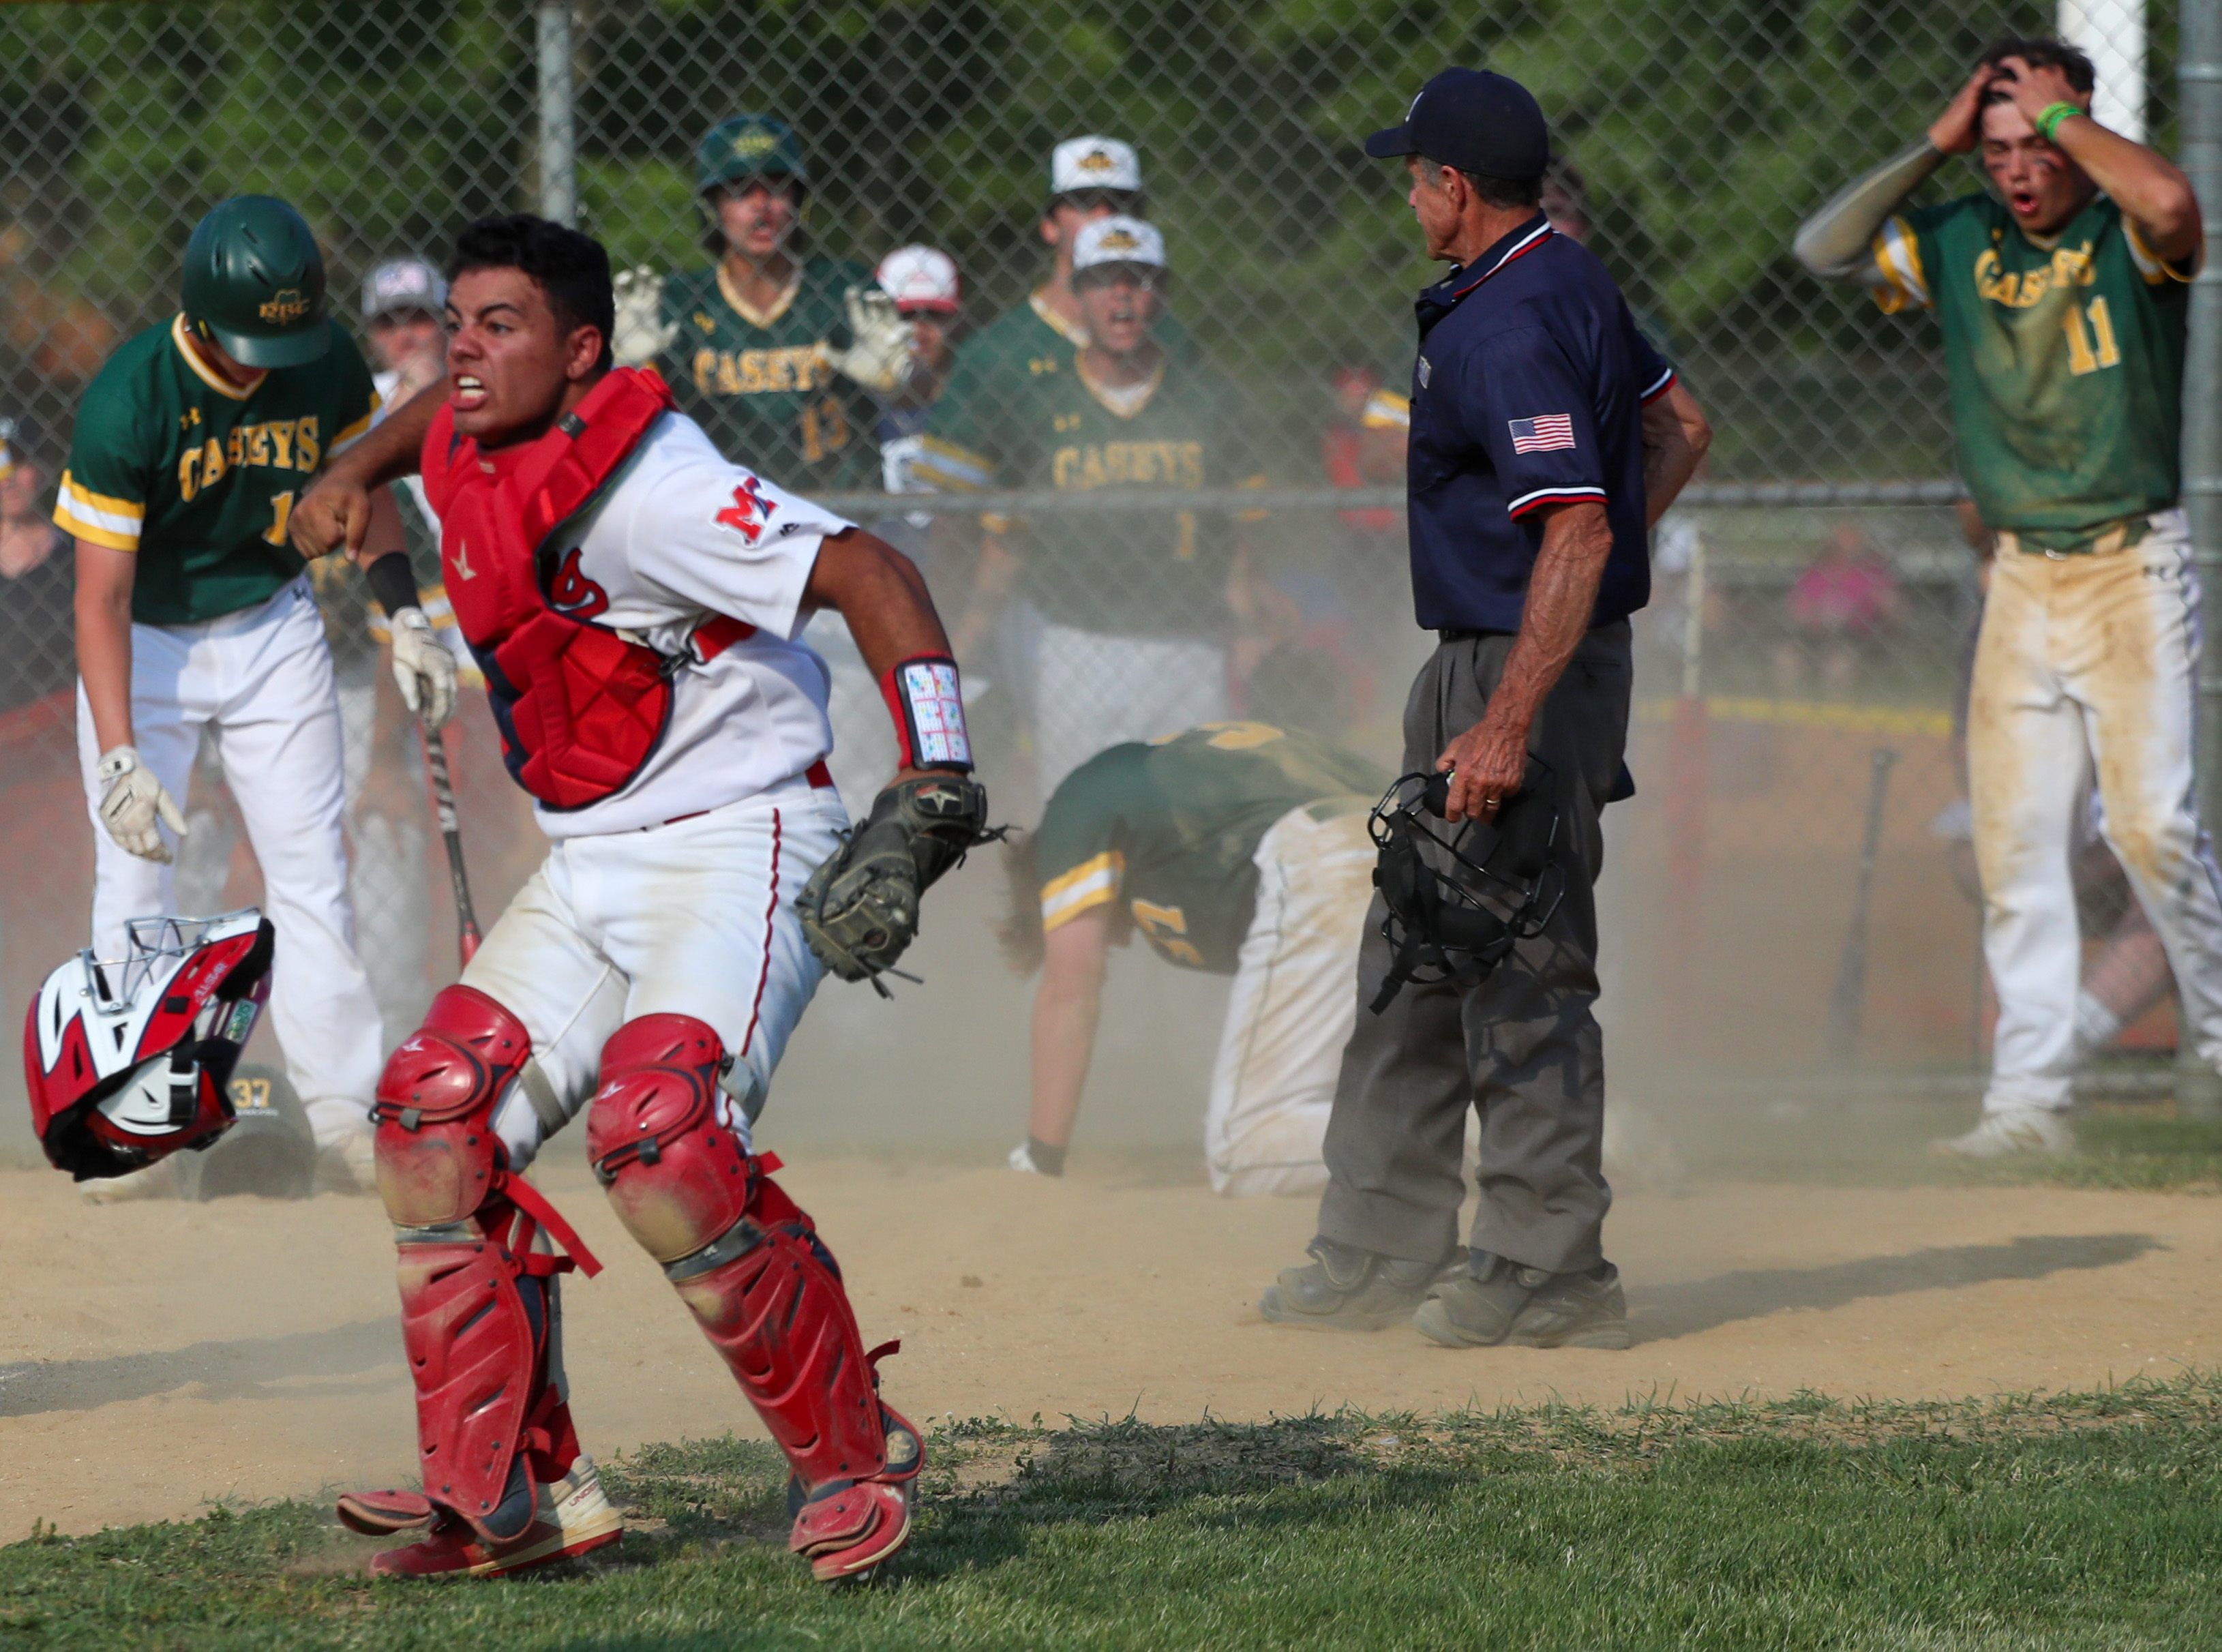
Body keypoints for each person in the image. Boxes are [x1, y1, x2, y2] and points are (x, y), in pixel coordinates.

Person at [288, 213, 985, 1583]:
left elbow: (871, 572)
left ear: (585, 349)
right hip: (594, 854)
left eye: (505, 327)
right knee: (429, 1117)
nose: (468, 353)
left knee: (661, 1134)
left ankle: (850, 1459)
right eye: (461, 321)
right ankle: (511, 1494)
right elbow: (431, 414)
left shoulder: (657, 485)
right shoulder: (470, 429)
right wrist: (351, 475)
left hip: (743, 835)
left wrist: (939, 779)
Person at [1255, 70, 1709, 1348]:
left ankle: (1547, 1263)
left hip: (1516, 669)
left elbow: (1571, 517)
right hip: (1502, 647)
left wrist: (1514, 704)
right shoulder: (1557, 280)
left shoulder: (1507, 319)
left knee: (1517, 957)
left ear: (1454, 188)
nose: (1406, 191)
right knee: (1416, 940)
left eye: (1414, 173)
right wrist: (1597, 581)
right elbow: (1679, 425)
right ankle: (1376, 1238)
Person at [1795, 35, 2222, 1156]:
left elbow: (2174, 203)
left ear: (2074, 131)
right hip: (2020, 576)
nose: (2014, 170)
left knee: (2149, 827)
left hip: (2128, 564)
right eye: (1993, 152)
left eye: (2028, 145)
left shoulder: (2120, 227)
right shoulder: (1957, 235)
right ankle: (2027, 1102)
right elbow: (1822, 250)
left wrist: (2053, 116)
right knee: (2014, 843)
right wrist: (1937, 143)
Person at [54, 195, 457, 1195]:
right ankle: (131, 1122)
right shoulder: (129, 396)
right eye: (244, 343)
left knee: (311, 871)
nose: (261, 363)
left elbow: (363, 495)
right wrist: (117, 755)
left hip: (272, 626)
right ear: (198, 315)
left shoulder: (313, 364)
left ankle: (339, 1114)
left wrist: (404, 612)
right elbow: (98, 596)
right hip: (145, 641)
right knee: (135, 878)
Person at [920, 217, 1267, 796]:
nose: (1122, 294)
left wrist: (1251, 617)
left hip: (1188, 639)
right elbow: (1008, 538)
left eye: (1139, 279)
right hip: (1074, 644)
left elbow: (1235, 533)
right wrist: (969, 630)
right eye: (1103, 280)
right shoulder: (1040, 401)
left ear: (1161, 295)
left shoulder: (1207, 396)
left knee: (1188, 820)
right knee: (1080, 818)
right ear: (1077, 296)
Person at [1001, 721, 1385, 1193]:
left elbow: (1069, 991)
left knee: (1242, 1145)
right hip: (1427, 845)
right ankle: (1480, 1122)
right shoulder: (1188, 798)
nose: (1115, 943)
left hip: (1325, 855)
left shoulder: (1078, 806)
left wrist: (1040, 1160)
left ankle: (1454, 1135)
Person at [611, 114, 906, 493]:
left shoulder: (843, 290)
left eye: (777, 188)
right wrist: (620, 372)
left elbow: (918, 397)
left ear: (800, 202)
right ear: (712, 208)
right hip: (715, 514)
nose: (761, 205)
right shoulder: (677, 302)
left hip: (840, 511)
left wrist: (898, 382)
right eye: (739, 190)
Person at [1771, 521, 1902, 696]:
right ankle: (1790, 711)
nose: (1847, 547)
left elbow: (1894, 610)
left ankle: (1834, 714)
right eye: (1841, 542)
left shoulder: (1872, 572)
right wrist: (1812, 617)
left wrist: (1888, 604)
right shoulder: (1816, 572)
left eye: (1853, 541)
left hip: (1854, 636)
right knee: (1787, 660)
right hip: (1814, 635)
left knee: (1839, 664)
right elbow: (1797, 610)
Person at [0, 417, 74, 716]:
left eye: (18, 462)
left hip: (74, 718)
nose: (7, 479)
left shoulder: (78, 553)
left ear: (43, 468)